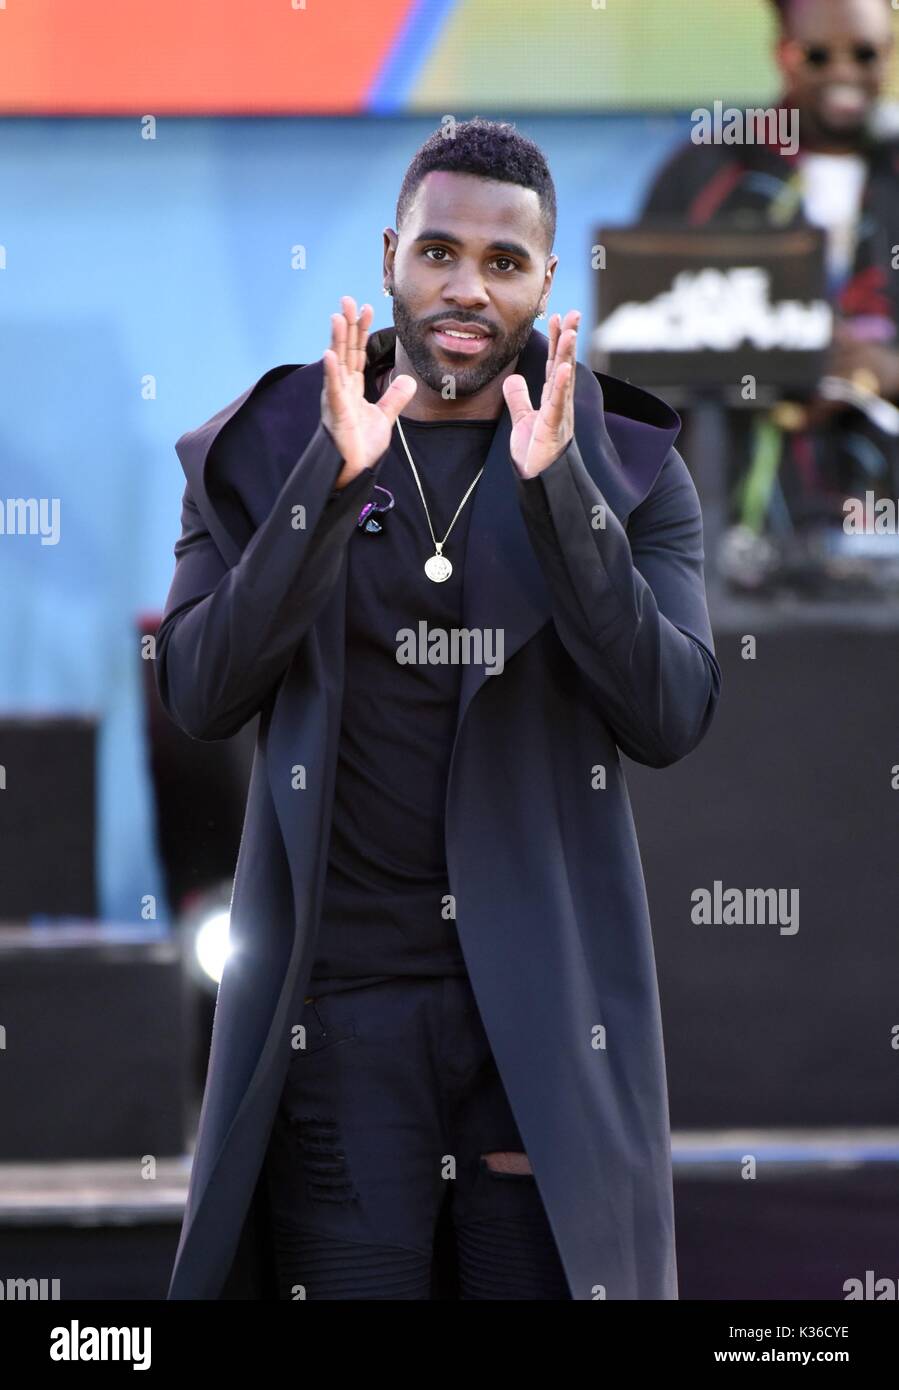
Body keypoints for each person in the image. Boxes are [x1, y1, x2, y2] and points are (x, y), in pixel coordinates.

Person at [157, 118, 721, 1301]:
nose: (466, 288)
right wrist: (326, 483)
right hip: (337, 1019)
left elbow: (667, 714)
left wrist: (563, 499)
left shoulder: (624, 465)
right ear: (389, 256)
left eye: (504, 264)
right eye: (438, 252)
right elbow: (202, 694)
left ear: (546, 283)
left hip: (542, 1031)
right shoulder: (261, 451)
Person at [641, 0, 899, 595]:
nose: (846, 73)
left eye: (866, 54)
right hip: (736, 526)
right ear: (782, 51)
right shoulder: (706, 173)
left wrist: (886, 371)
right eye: (818, 54)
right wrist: (765, 364)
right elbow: (636, 350)